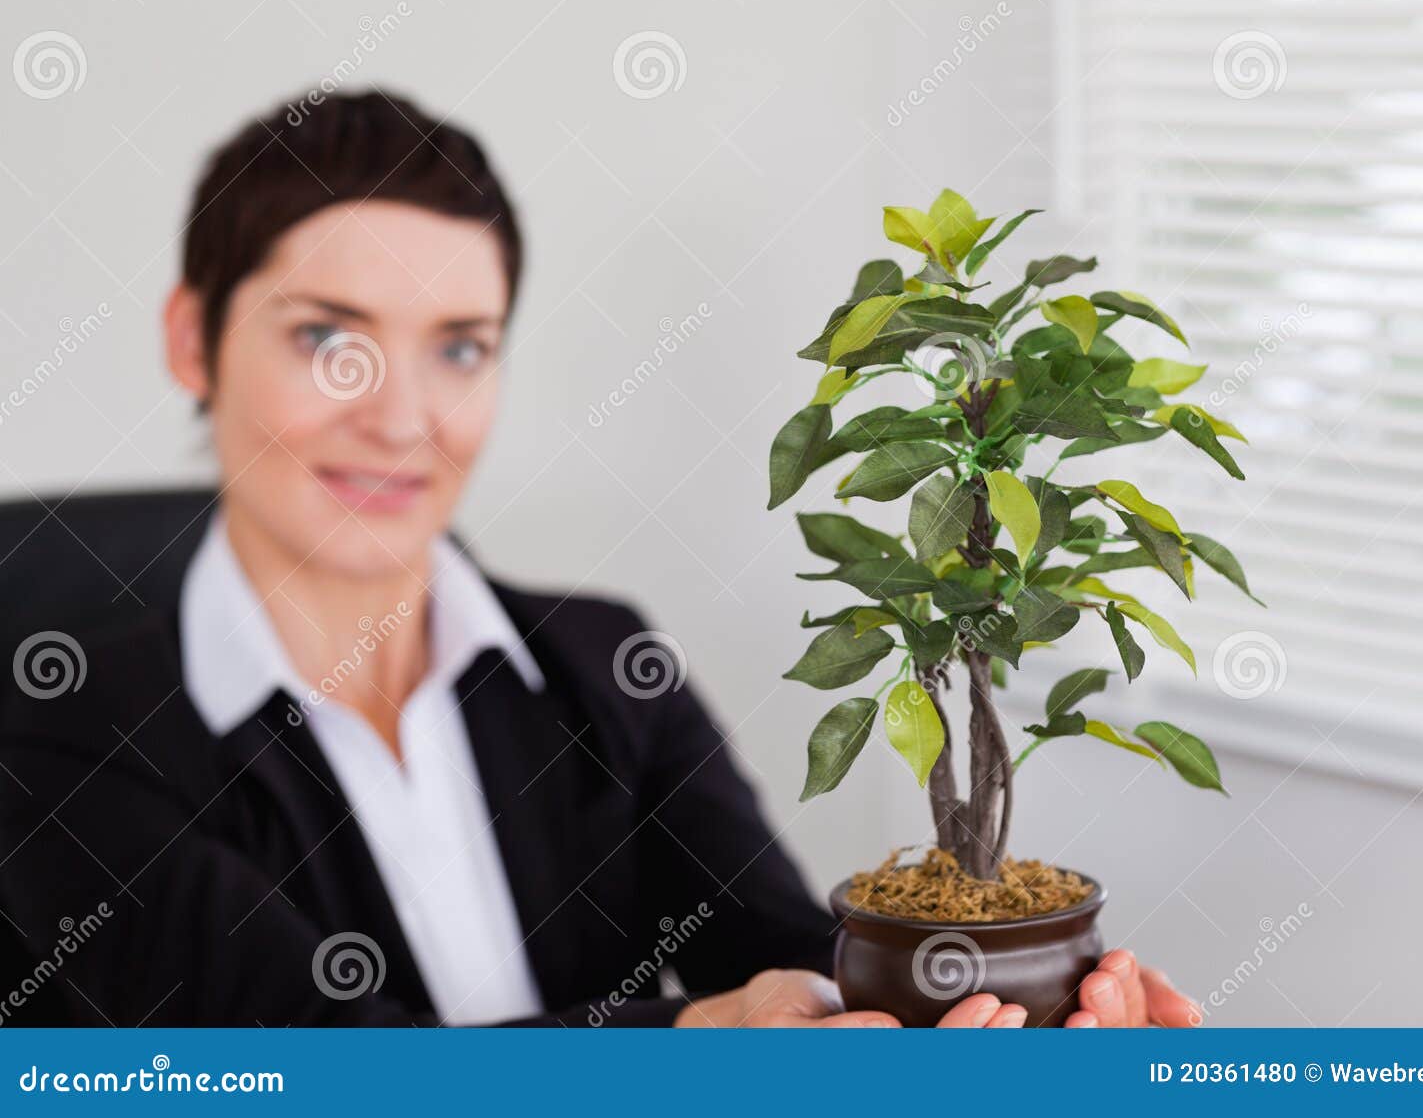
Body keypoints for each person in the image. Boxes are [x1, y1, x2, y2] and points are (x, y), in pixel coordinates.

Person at [0, 89, 1199, 1029]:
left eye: (460, 348)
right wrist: (687, 1043)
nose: (403, 415)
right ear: (190, 342)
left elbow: (779, 959)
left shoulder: (595, 657)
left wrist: (995, 1010)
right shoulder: (68, 726)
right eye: (329, 337)